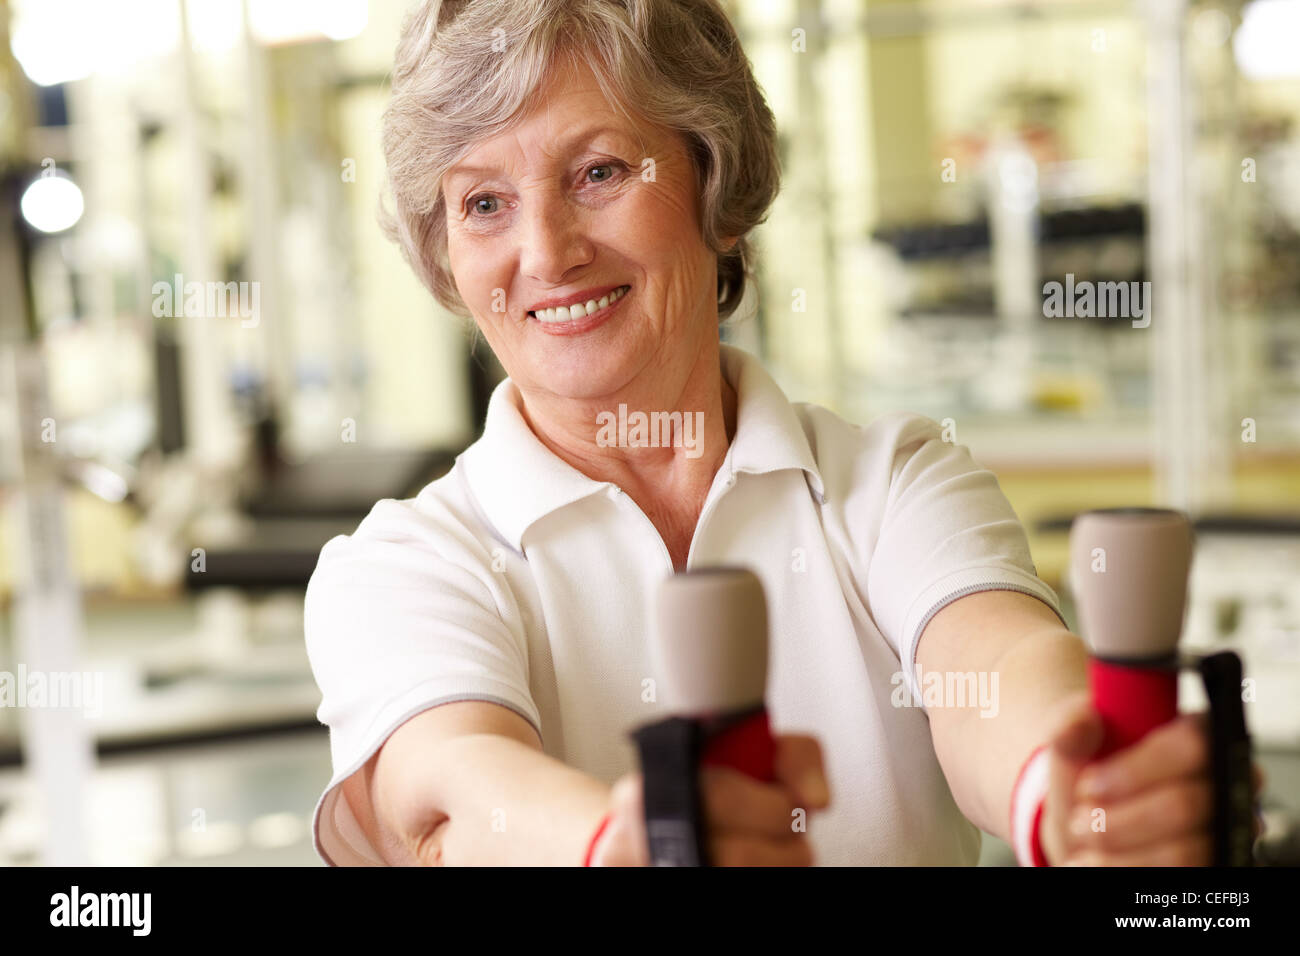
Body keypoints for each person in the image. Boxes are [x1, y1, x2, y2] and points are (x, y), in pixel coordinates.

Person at [304, 0, 1258, 866]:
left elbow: (996, 667)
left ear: (713, 183)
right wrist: (624, 847)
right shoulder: (403, 566)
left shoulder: (892, 484)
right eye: (483, 203)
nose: (547, 251)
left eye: (599, 172)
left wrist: (1081, 790)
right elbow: (455, 786)